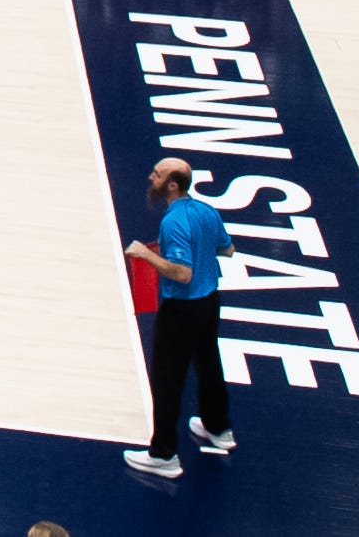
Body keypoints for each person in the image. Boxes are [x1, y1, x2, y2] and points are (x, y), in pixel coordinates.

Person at [123, 152, 237, 477]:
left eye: (157, 175)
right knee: (209, 364)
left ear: (172, 185)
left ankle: (163, 455)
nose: (151, 178)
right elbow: (227, 248)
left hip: (181, 310)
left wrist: (146, 254)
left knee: (167, 381)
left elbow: (182, 273)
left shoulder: (173, 222)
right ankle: (218, 429)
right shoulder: (207, 211)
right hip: (209, 303)